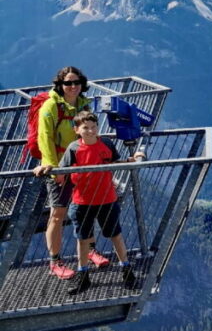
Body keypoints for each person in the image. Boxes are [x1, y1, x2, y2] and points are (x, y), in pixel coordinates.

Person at [52, 111, 146, 295]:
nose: (90, 131)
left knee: (115, 235)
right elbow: (60, 173)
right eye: (85, 127)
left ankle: (127, 271)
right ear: (77, 130)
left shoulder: (106, 144)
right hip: (82, 202)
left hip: (107, 200)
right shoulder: (73, 149)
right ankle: (83, 275)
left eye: (94, 127)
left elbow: (115, 162)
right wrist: (47, 169)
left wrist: (131, 160)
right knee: (83, 239)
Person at [31, 66, 92, 280]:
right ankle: (55, 261)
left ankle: (88, 250)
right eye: (68, 83)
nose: (72, 86)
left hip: (81, 165)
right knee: (57, 215)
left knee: (85, 208)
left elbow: (90, 135)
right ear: (60, 85)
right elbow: (44, 137)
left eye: (76, 82)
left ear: (82, 83)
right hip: (58, 166)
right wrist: (53, 167)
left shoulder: (84, 105)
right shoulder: (51, 106)